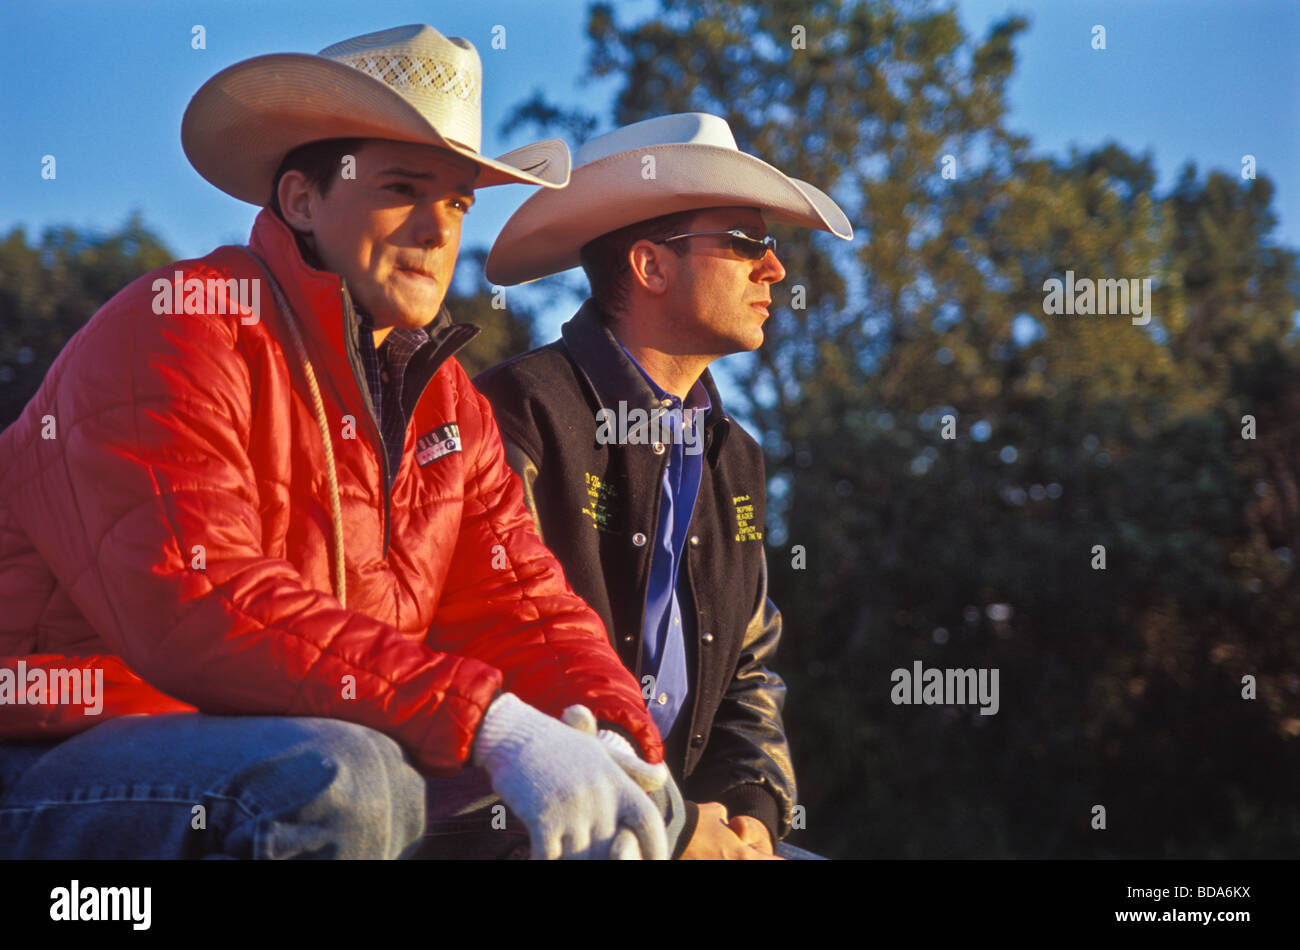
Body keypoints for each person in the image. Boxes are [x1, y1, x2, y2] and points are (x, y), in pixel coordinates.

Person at [0, 24, 673, 861]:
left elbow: (519, 605)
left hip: (291, 743)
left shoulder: (449, 402)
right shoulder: (177, 325)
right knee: (345, 782)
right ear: (301, 200)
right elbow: (200, 597)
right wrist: (495, 721)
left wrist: (607, 730)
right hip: (50, 747)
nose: (438, 229)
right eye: (403, 188)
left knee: (631, 804)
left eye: (459, 200)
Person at [474, 113, 853, 859]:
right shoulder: (518, 410)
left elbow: (748, 666)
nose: (773, 267)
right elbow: (505, 654)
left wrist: (750, 812)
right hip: (546, 825)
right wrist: (671, 827)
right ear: (650, 266)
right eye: (745, 241)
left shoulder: (735, 455)